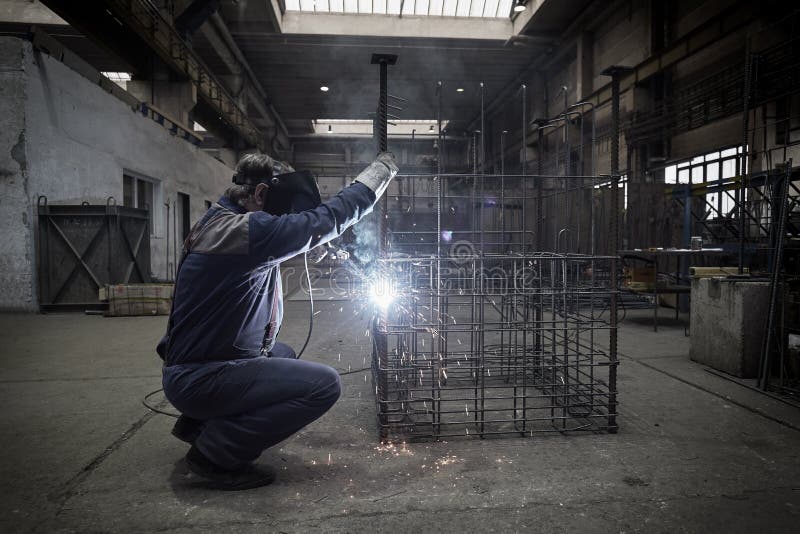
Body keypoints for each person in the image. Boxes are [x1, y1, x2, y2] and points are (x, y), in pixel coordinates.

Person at [157, 152, 397, 490]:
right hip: (199, 376)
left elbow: (258, 255)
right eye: (283, 210)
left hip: (195, 364)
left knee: (280, 353)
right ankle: (214, 453)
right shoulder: (247, 230)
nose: (285, 218)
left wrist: (299, 245)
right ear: (260, 195)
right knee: (323, 385)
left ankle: (200, 425)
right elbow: (327, 218)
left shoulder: (222, 220)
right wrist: (380, 173)